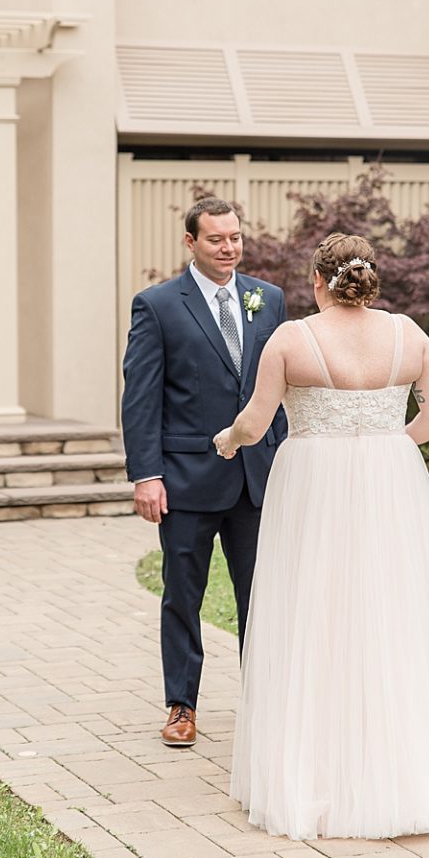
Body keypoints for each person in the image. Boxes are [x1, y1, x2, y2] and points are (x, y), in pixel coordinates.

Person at [214, 232, 429, 839]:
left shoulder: (292, 338)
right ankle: (410, 773)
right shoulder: (410, 334)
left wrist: (227, 441)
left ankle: (316, 774)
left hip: (314, 483)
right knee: (397, 611)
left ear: (317, 282)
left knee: (315, 614)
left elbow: (255, 420)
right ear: (368, 279)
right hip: (391, 483)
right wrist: (385, 449)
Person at [122, 197, 288, 747]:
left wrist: (287, 460)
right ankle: (181, 707)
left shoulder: (270, 300)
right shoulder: (158, 305)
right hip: (186, 482)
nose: (229, 248)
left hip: (256, 481)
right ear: (190, 242)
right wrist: (146, 475)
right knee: (182, 597)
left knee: (261, 597)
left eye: (235, 237)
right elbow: (141, 398)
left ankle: (265, 704)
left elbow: (279, 395)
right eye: (216, 239)